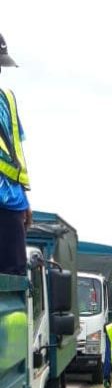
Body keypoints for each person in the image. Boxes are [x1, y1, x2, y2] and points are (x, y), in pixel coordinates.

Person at [0, 34, 32, 276]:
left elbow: (16, 153)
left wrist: (24, 198)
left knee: (14, 278)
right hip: (10, 205)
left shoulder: (7, 98)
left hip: (11, 202)